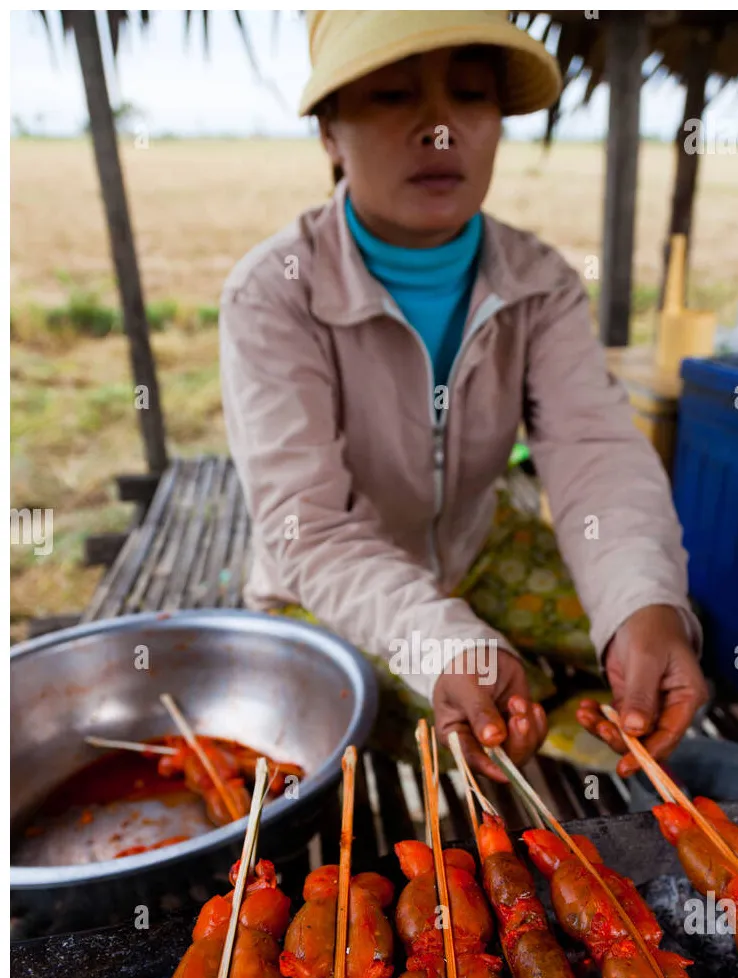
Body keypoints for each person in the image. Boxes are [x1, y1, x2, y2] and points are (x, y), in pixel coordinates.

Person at [220, 10, 707, 781]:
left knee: (659, 630)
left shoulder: (538, 282)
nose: (441, 129)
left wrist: (641, 604)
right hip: (332, 593)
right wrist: (444, 641)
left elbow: (597, 457)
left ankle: (579, 702)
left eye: (472, 95)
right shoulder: (275, 294)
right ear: (328, 133)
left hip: (482, 545)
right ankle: (567, 734)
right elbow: (306, 527)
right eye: (390, 95)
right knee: (483, 721)